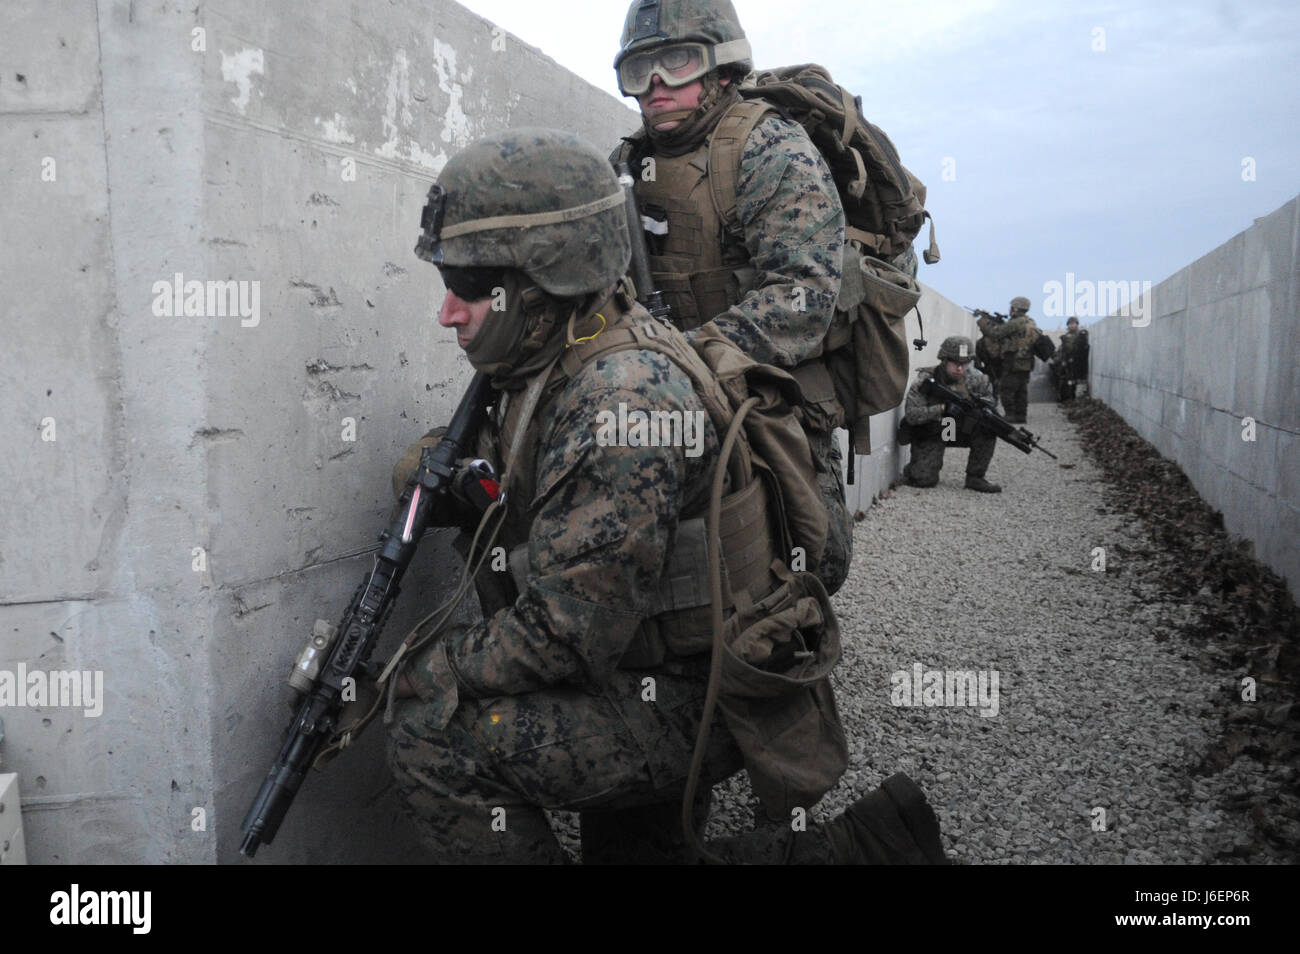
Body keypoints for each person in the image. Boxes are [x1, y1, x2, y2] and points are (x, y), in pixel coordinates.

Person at [385, 127, 945, 865]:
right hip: (660, 664)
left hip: (698, 693)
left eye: (467, 287)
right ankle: (872, 850)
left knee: (431, 726)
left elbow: (565, 638)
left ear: (546, 281)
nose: (448, 314)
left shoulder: (622, 400)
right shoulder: (569, 345)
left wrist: (426, 667)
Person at [610, 0, 854, 595]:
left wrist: (690, 357)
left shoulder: (769, 147)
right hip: (656, 387)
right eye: (640, 70)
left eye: (676, 62)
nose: (656, 85)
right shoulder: (626, 165)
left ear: (721, 69)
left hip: (764, 384)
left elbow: (805, 293)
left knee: (808, 556)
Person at [900, 336, 1001, 493]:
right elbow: (912, 415)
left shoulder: (978, 379)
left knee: (989, 427)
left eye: (965, 363)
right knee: (923, 480)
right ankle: (914, 469)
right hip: (934, 430)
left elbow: (991, 406)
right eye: (955, 362)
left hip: (961, 429)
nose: (960, 368)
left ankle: (975, 477)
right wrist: (941, 409)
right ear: (944, 360)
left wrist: (974, 410)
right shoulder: (926, 380)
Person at [983, 295, 1041, 423]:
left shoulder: (1015, 322)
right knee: (1021, 389)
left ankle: (1010, 415)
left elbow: (995, 334)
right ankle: (1021, 415)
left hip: (1013, 361)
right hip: (1026, 361)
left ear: (1016, 308)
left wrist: (983, 320)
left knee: (1007, 388)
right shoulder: (1030, 321)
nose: (1010, 309)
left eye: (1012, 307)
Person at [1051, 316, 1089, 401]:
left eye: (1073, 323)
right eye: (1070, 324)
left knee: (1076, 380)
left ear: (1077, 324)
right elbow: (1063, 349)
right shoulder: (1065, 336)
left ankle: (1074, 398)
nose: (1072, 325)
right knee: (1065, 379)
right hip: (1067, 361)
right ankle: (1065, 398)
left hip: (1077, 361)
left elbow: (1082, 348)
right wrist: (1059, 359)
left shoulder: (1080, 335)